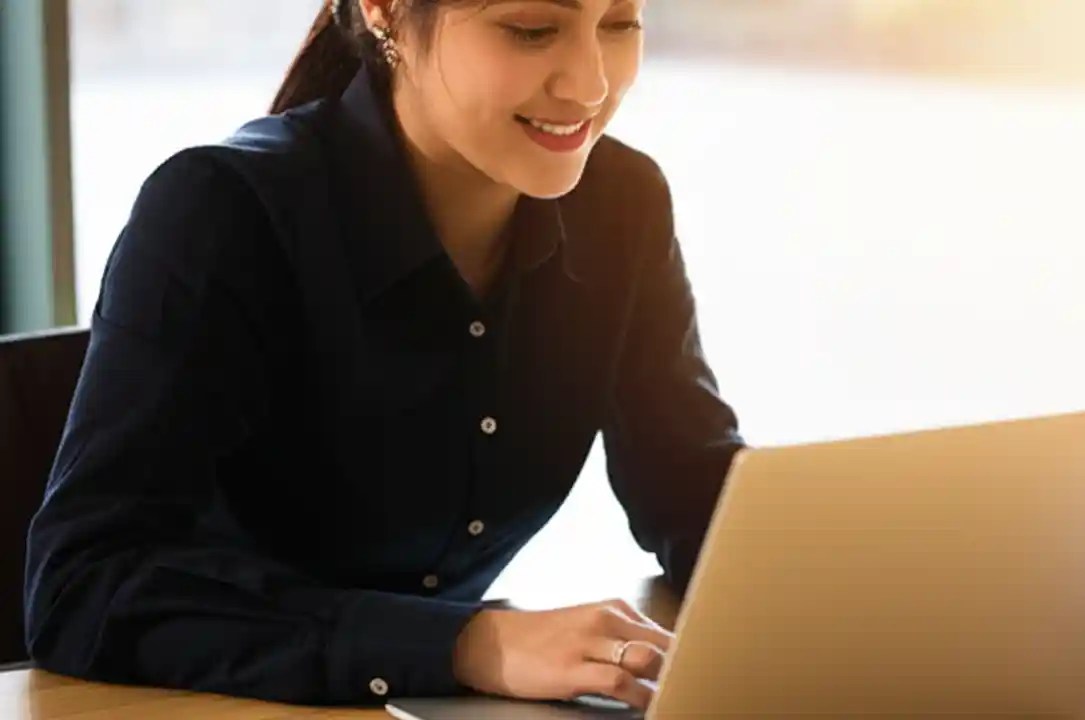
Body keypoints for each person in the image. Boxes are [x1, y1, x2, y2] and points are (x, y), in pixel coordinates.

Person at [23, 0, 744, 710]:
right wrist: (465, 645)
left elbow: (690, 484)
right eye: (532, 30)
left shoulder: (621, 203)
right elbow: (83, 587)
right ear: (385, 11)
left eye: (620, 23)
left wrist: (825, 582)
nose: (590, 84)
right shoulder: (220, 213)